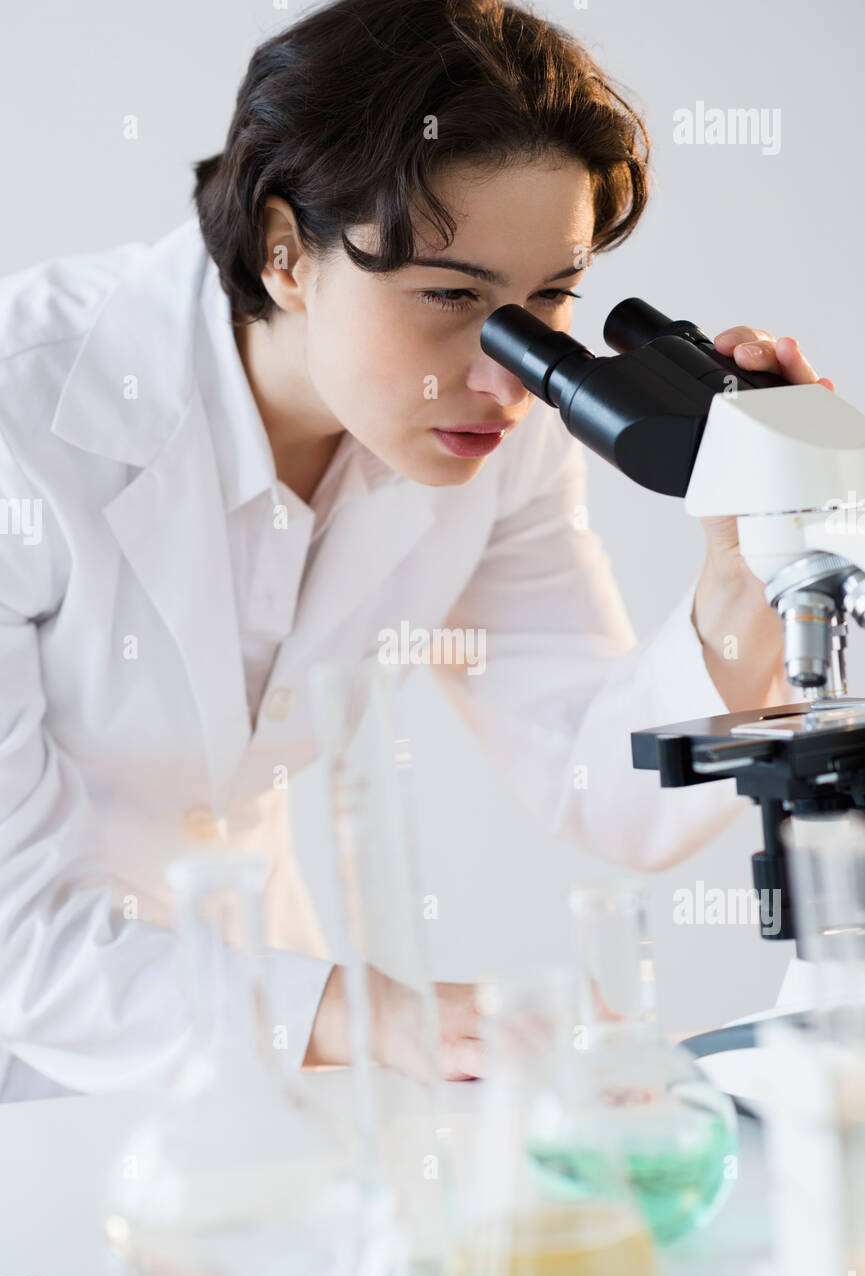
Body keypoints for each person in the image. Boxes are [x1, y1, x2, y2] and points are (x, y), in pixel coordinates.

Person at [0, 0, 834, 1101]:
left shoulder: (487, 431)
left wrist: (745, 565)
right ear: (284, 249)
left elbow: (605, 783)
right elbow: (27, 946)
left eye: (548, 300)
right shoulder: (27, 420)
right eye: (449, 296)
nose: (505, 373)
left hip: (259, 1054)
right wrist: (386, 1016)